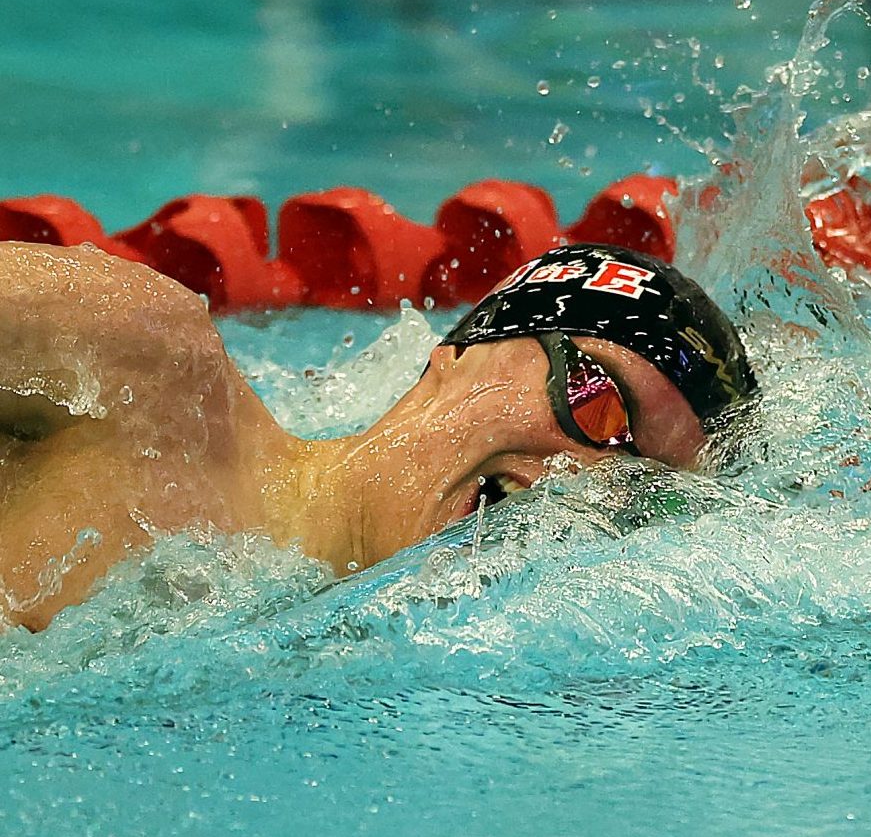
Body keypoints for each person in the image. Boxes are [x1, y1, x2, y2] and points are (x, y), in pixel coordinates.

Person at [0, 240, 756, 631]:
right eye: (597, 403)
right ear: (464, 351)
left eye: (640, 490)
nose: (587, 484)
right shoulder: (143, 371)